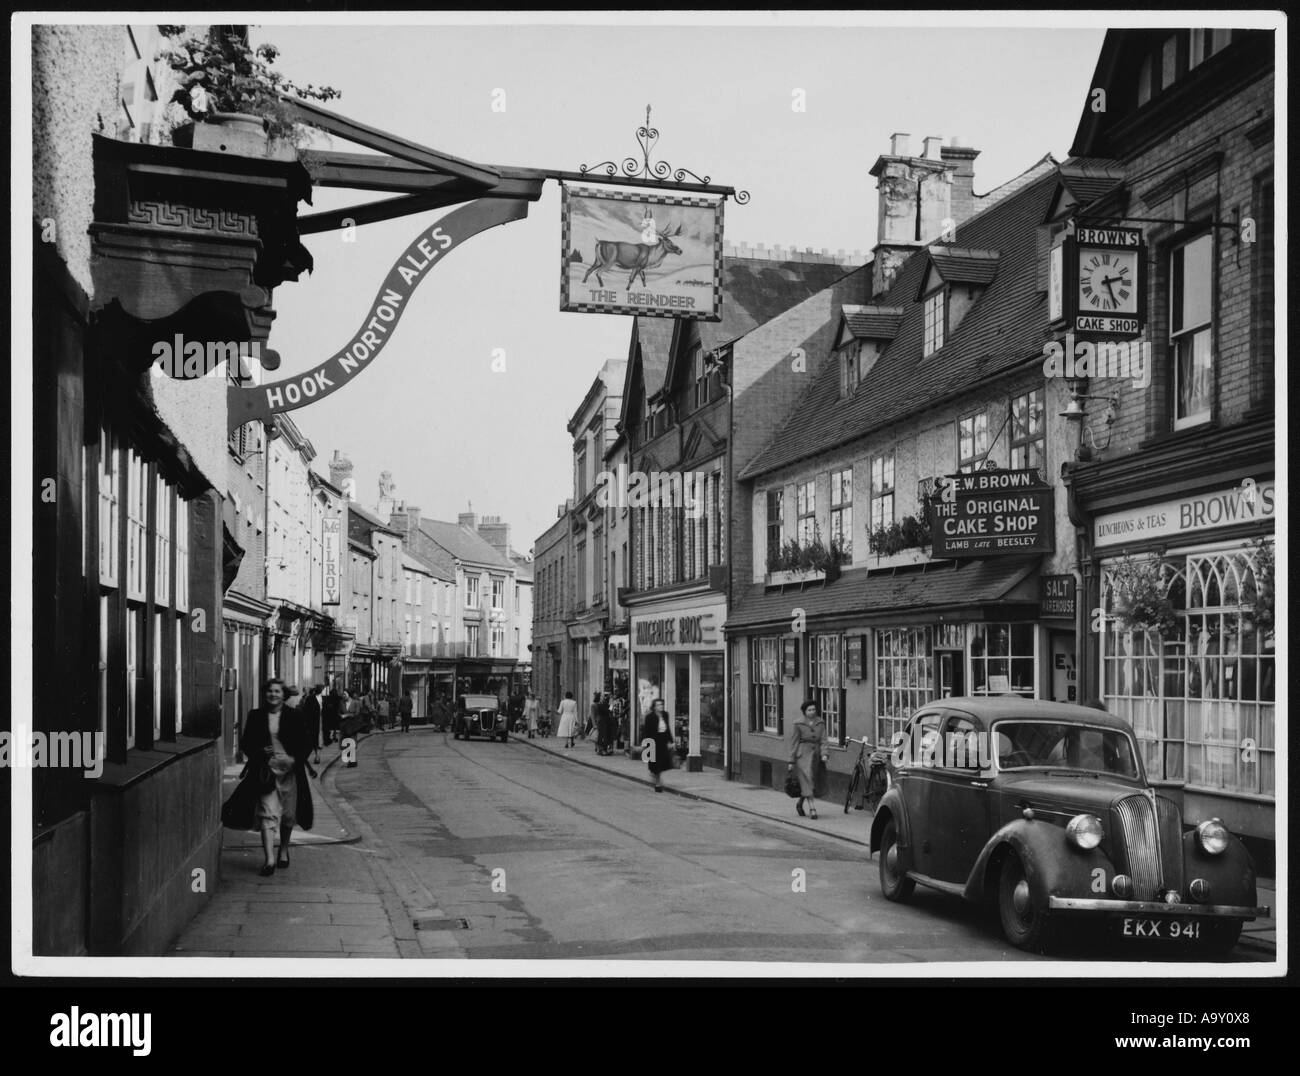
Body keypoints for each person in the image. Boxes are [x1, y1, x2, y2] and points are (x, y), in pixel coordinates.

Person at [240, 677, 314, 876]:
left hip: (289, 773)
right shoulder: (255, 715)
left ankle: (283, 849)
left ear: (284, 696)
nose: (273, 694)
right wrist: (259, 752)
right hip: (266, 773)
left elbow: (306, 742)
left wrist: (294, 759)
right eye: (270, 691)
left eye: (277, 691)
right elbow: (245, 743)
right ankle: (269, 860)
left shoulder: (294, 716)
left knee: (289, 815)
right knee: (267, 812)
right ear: (265, 694)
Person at [789, 699, 829, 819]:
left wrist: (824, 753)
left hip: (816, 756)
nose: (812, 712)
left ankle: (800, 803)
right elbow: (794, 743)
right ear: (804, 712)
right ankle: (812, 809)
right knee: (807, 779)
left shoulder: (820, 723)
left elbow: (824, 740)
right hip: (802, 755)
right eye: (809, 710)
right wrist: (791, 761)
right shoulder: (798, 723)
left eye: (813, 709)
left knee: (811, 781)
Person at [644, 698, 673, 792]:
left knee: (662, 763)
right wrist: (645, 744)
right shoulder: (649, 717)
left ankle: (656, 777)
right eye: (658, 705)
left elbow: (667, 728)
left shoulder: (665, 714)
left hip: (662, 741)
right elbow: (646, 731)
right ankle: (658, 784)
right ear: (654, 707)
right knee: (655, 764)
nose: (660, 706)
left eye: (661, 704)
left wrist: (671, 741)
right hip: (653, 742)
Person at [301, 684, 323, 765]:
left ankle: (317, 756)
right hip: (315, 722)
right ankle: (317, 756)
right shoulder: (310, 698)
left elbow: (305, 711)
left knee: (317, 740)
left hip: (318, 722)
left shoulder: (310, 698)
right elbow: (306, 711)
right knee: (315, 740)